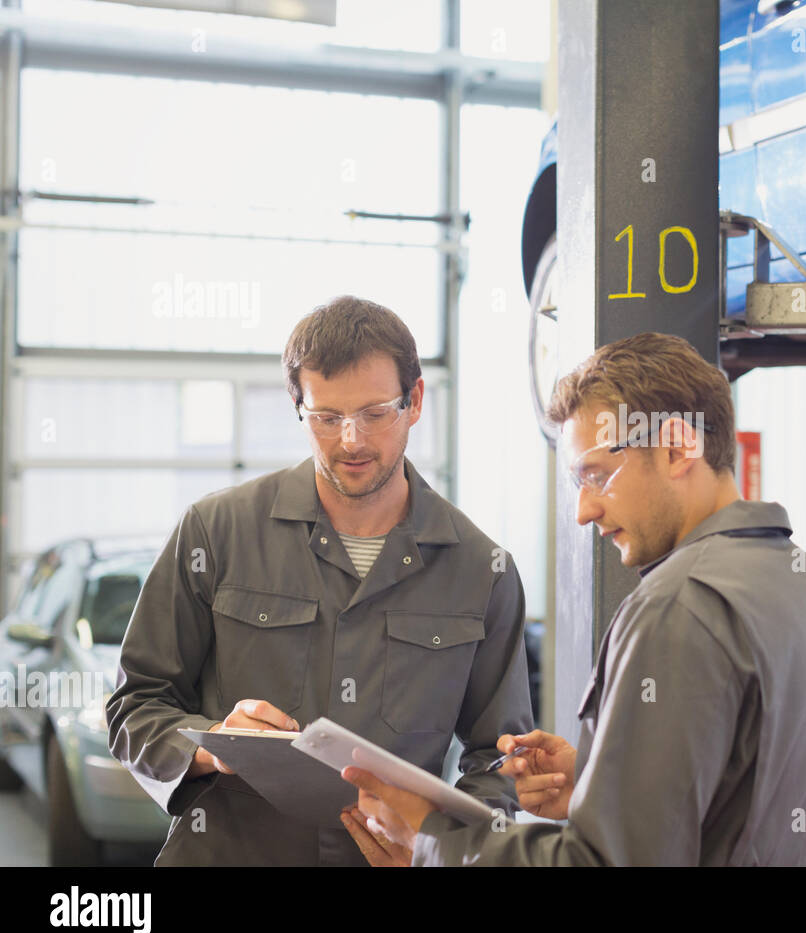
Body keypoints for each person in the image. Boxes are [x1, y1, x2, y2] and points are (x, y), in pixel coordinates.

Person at [341, 332, 806, 866]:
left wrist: (430, 838)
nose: (584, 510)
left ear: (676, 446)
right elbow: (742, 807)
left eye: (595, 475)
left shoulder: (680, 607)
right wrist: (608, 782)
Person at [106, 295, 533, 866]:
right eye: (327, 418)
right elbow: (135, 706)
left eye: (375, 412)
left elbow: (498, 761)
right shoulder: (216, 531)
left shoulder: (483, 571)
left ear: (416, 401)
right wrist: (213, 742)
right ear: (297, 405)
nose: (351, 440)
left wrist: (438, 851)